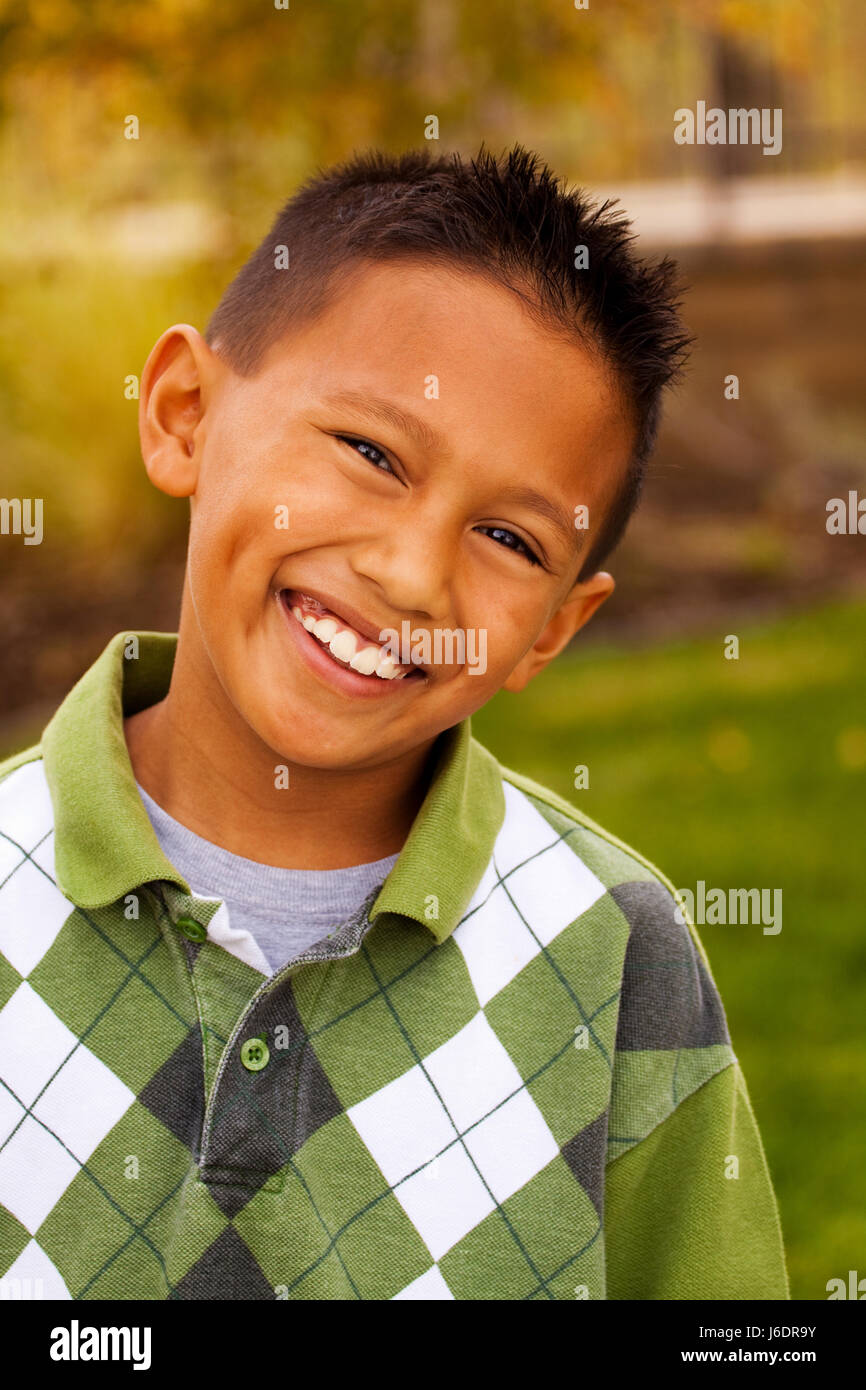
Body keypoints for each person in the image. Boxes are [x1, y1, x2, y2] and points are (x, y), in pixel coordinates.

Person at [0, 146, 788, 1300]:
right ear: (182, 415)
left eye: (509, 539)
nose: (413, 574)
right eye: (371, 454)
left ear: (551, 632)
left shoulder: (616, 952)